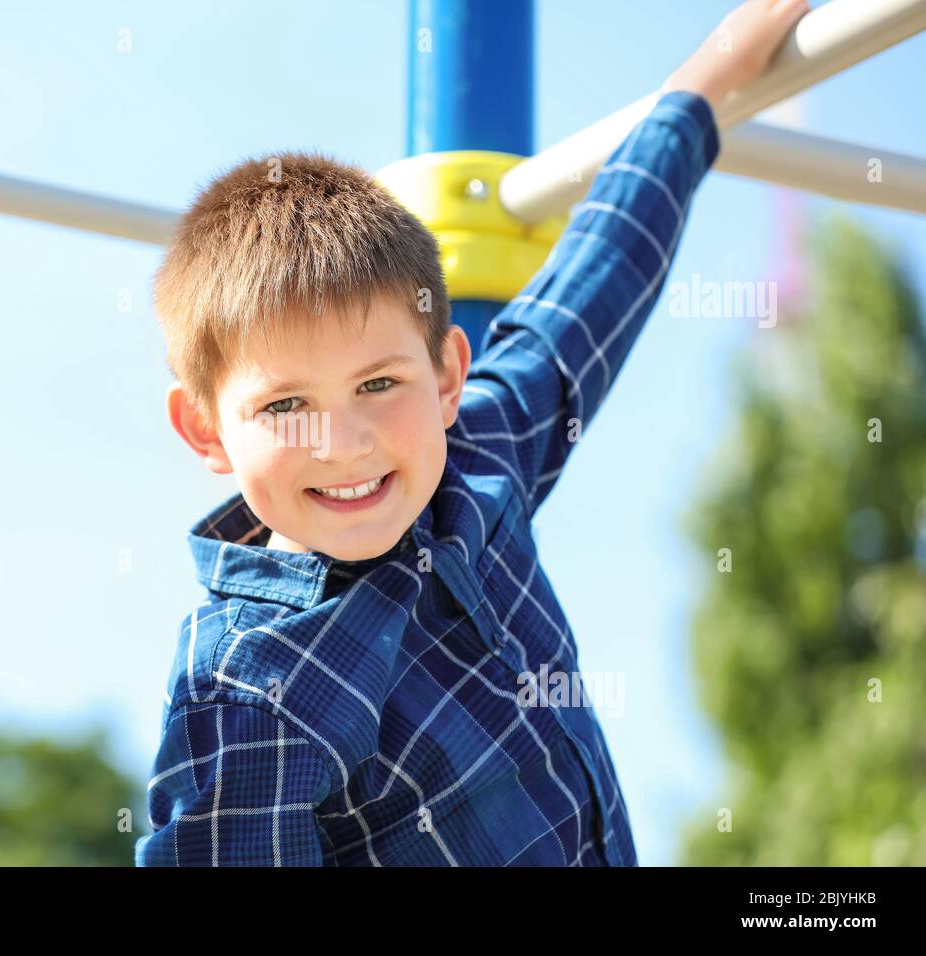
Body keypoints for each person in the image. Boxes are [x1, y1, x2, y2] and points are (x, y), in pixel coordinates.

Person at [136, 0, 810, 866]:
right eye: (283, 407)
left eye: (379, 383)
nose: (344, 442)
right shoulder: (246, 685)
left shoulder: (476, 463)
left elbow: (598, 276)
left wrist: (707, 79)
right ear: (206, 430)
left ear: (449, 377)